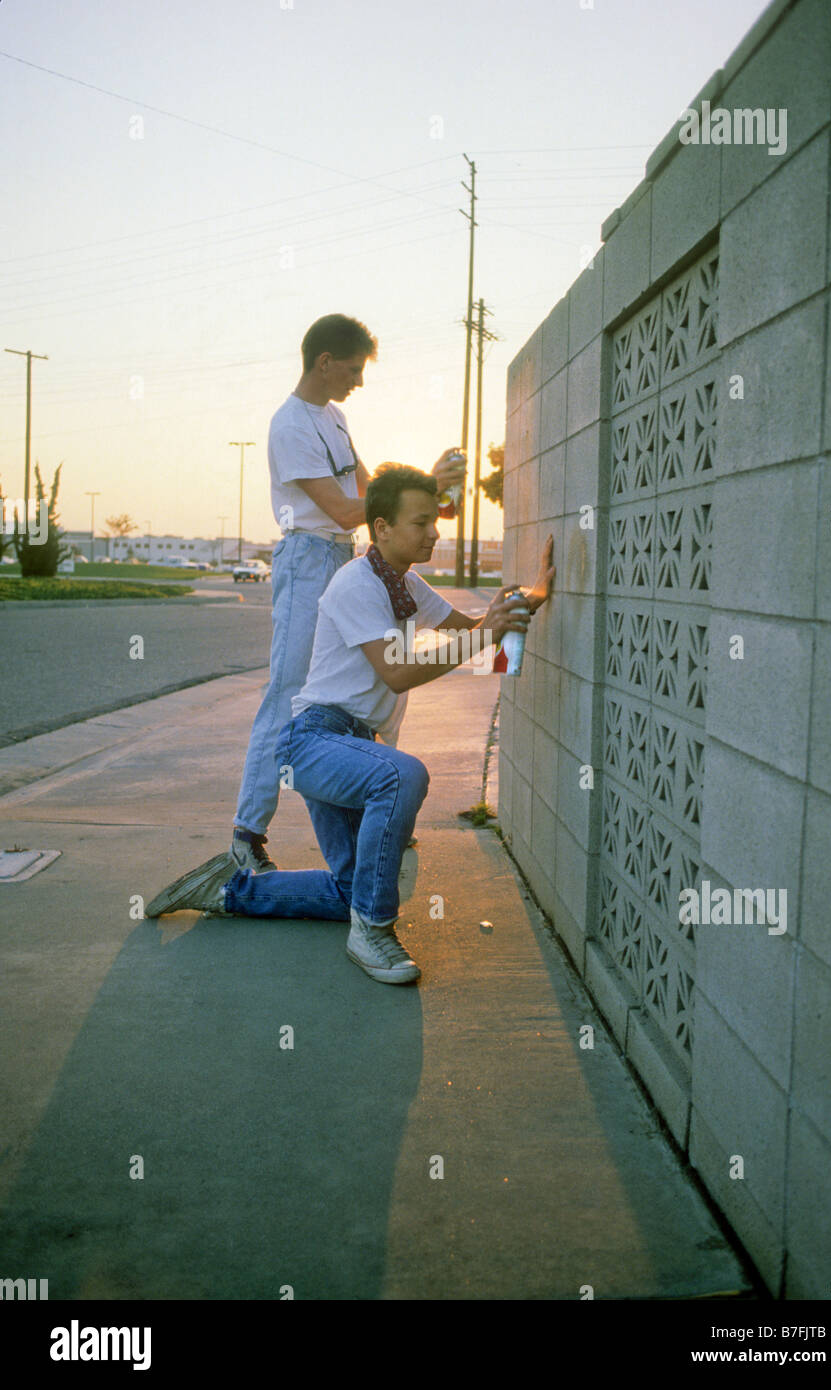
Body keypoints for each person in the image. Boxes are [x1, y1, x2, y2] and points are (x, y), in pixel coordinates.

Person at [146, 464, 555, 986]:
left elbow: (477, 629)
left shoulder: (407, 586)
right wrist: (483, 636)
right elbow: (399, 672)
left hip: (352, 746)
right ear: (381, 528)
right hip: (314, 741)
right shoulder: (356, 584)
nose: (434, 532)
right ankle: (372, 931)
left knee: (347, 890)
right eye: (421, 522)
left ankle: (227, 890)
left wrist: (534, 595)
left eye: (436, 522)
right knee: (403, 776)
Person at [230, 313, 466, 874]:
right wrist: (423, 487)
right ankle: (247, 833)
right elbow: (341, 510)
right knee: (288, 691)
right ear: (324, 361)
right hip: (311, 554)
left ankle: (378, 820)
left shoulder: (334, 418)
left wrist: (435, 499)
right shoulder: (289, 425)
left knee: (376, 680)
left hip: (351, 554)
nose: (358, 382)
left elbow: (370, 494)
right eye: (354, 370)